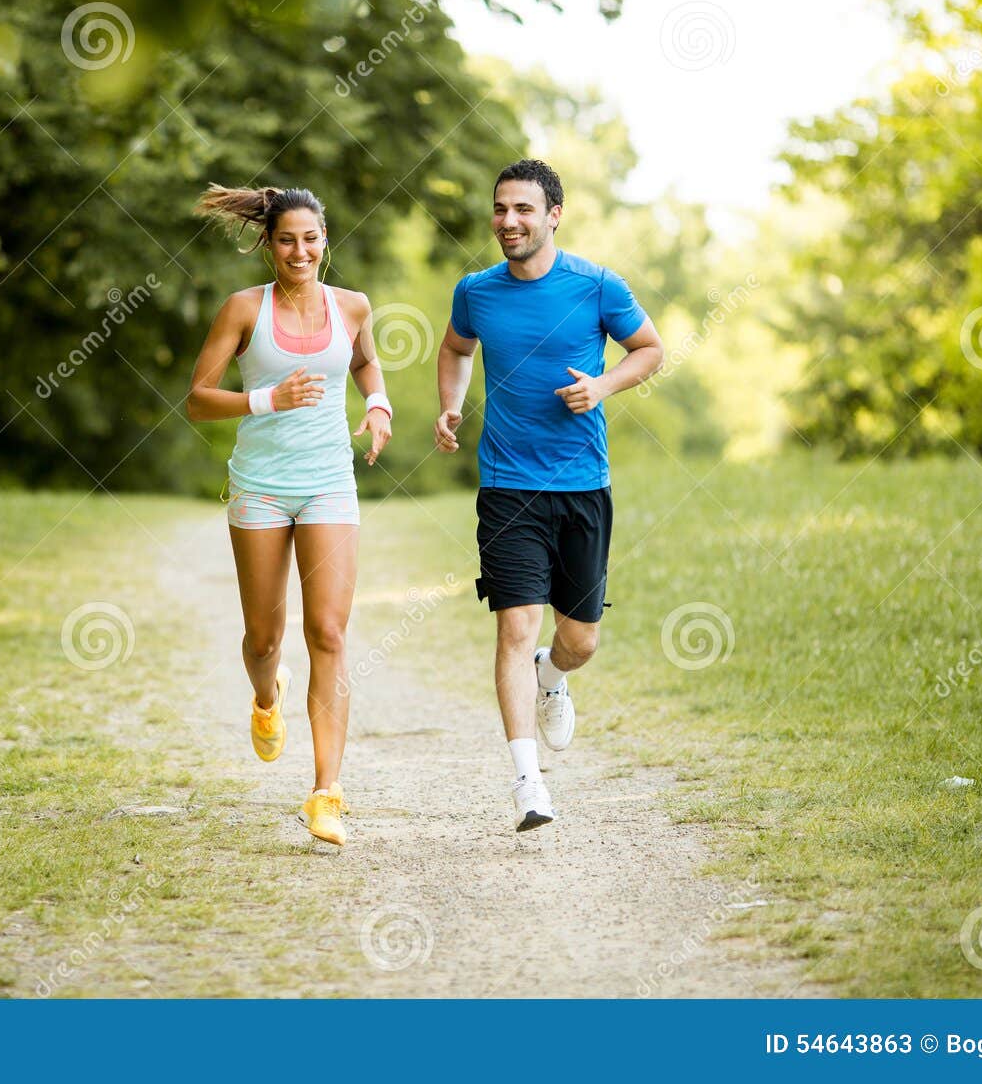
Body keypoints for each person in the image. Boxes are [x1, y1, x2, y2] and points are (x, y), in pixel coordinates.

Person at [435, 159, 664, 831]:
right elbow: (454, 349)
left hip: (582, 484)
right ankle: (528, 782)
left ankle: (553, 676)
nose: (509, 221)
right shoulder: (476, 291)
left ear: (553, 214)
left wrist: (602, 387)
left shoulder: (595, 285)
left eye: (523, 210)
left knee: (581, 640)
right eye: (500, 209)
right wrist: (450, 405)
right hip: (507, 487)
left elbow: (648, 348)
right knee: (514, 625)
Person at [186, 184, 393, 847]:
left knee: (329, 632)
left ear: (325, 239)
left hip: (330, 482)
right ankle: (266, 694)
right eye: (286, 239)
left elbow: (362, 360)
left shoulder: (352, 306)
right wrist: (266, 399)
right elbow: (197, 398)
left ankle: (326, 792)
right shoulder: (244, 308)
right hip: (262, 487)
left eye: (310, 238)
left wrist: (380, 400)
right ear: (268, 244)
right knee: (264, 639)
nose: (299, 251)